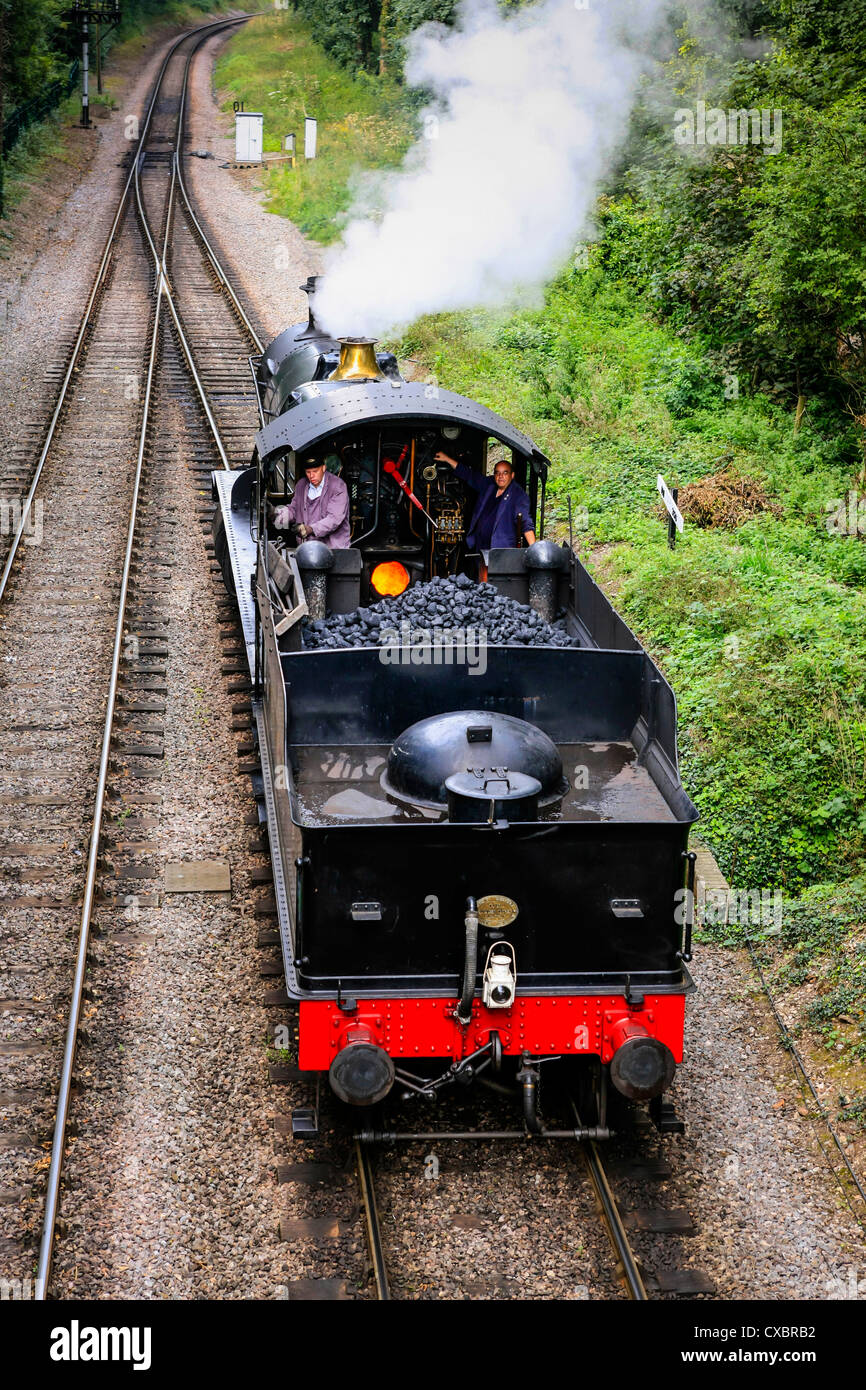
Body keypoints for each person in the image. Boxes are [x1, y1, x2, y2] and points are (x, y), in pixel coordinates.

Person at [434, 450, 536, 549]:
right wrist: (447, 459)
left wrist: (534, 549)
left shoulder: (518, 495)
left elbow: (525, 522)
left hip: (500, 550)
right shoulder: (489, 484)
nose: (501, 476)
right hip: (480, 546)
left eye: (505, 473)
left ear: (512, 475)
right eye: (497, 473)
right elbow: (469, 475)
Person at [272, 455, 351, 549]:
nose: (311, 476)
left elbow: (334, 519)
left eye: (315, 471)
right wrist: (275, 513)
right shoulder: (301, 485)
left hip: (333, 549)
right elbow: (293, 510)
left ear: (323, 468)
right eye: (308, 472)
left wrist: (310, 529)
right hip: (308, 548)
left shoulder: (338, 486)